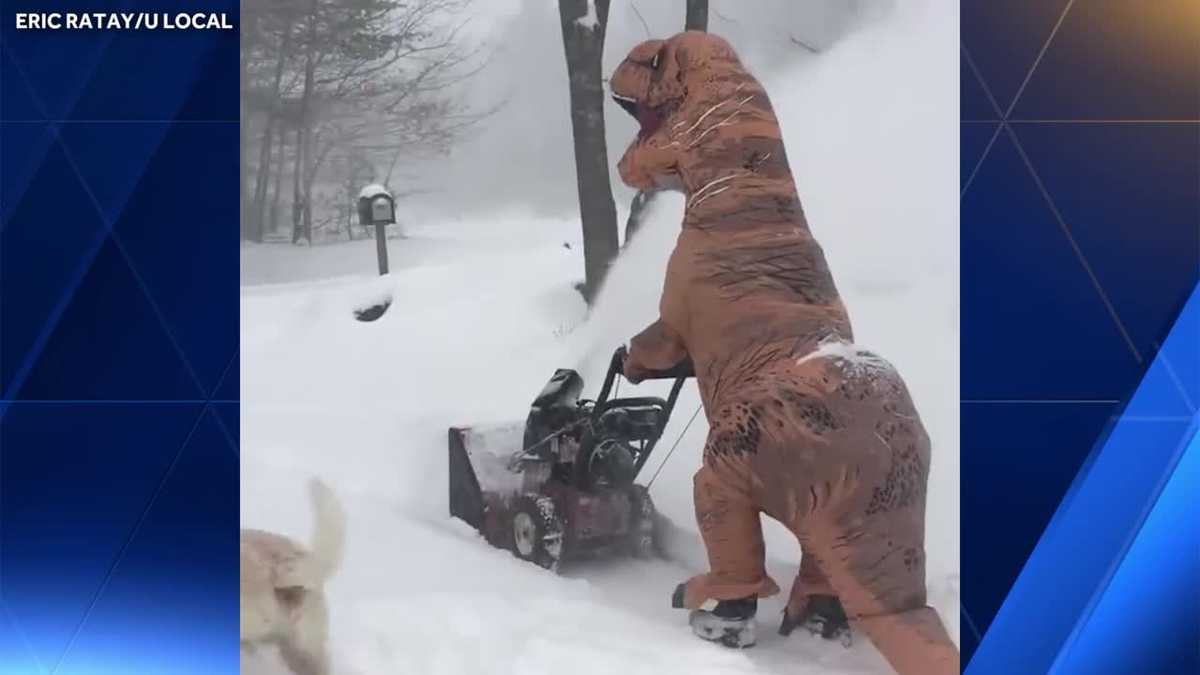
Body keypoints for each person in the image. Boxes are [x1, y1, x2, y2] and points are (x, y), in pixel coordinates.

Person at [609, 31, 959, 675]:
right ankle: (826, 598)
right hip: (875, 389)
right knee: (837, 512)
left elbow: (666, 340)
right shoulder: (802, 247)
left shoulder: (705, 250)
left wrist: (634, 359)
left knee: (724, 469)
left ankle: (733, 597)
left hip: (797, 404)